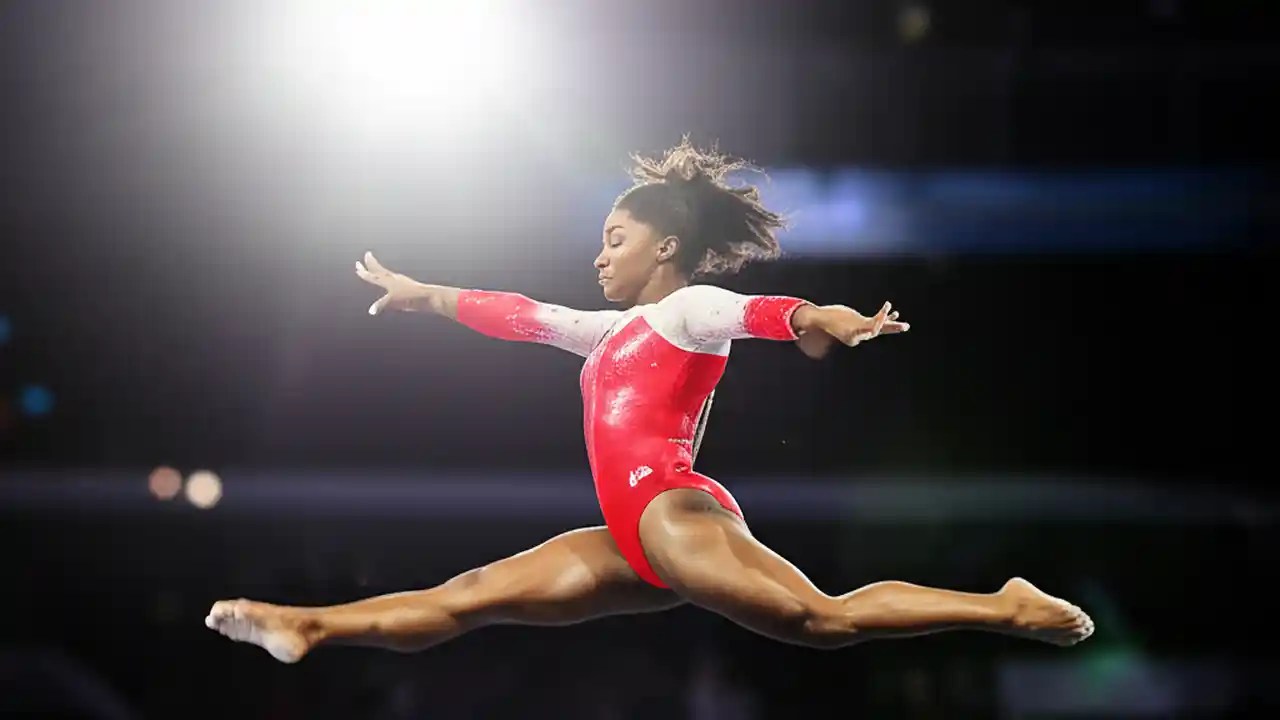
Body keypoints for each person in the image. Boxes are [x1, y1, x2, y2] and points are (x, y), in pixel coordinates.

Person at [206, 138, 1093, 664]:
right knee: (470, 594)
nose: (601, 256)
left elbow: (765, 313)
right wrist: (430, 294)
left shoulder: (686, 311)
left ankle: (1005, 603)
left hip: (677, 514)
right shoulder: (609, 333)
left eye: (615, 238)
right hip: (628, 538)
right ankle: (304, 624)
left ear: (665, 245)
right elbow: (523, 317)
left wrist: (828, 317)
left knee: (822, 620)